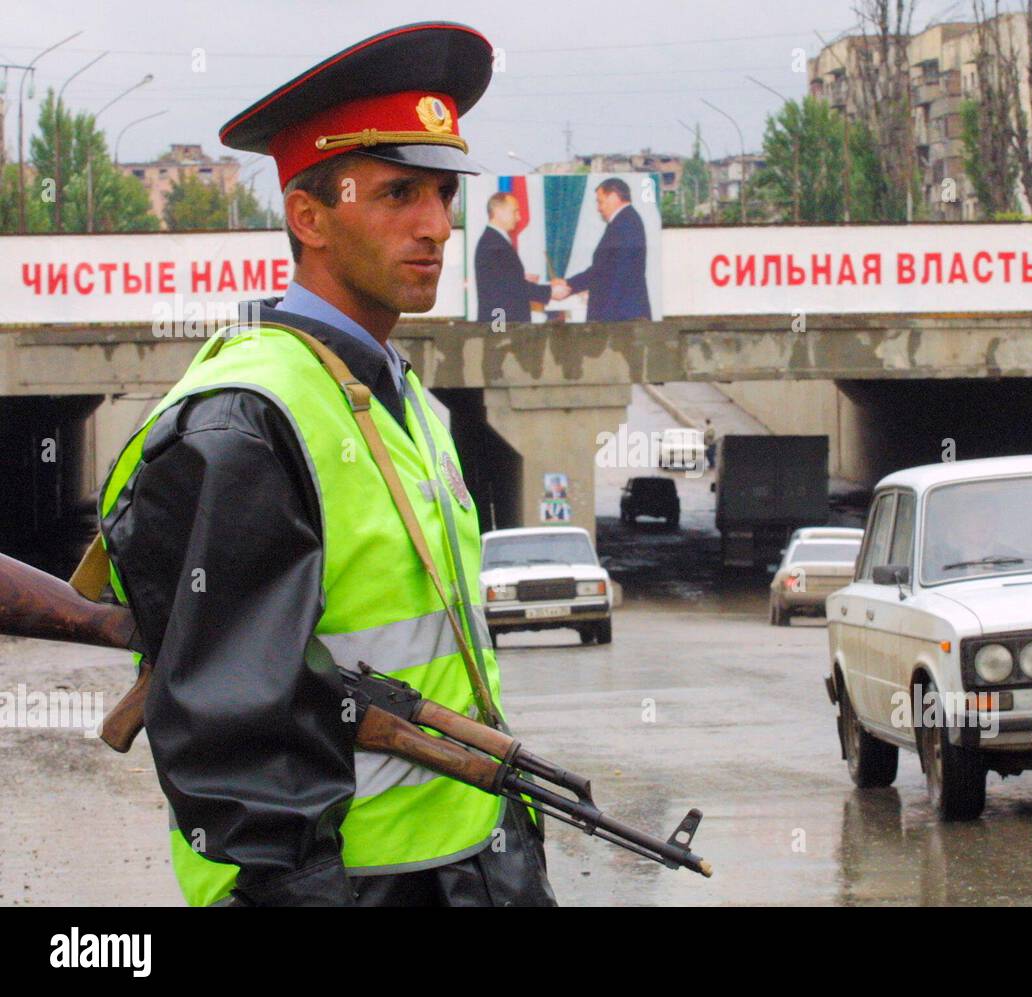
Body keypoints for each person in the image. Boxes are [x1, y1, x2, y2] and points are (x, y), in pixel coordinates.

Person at [96, 22, 555, 907]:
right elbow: (232, 744)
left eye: (441, 195)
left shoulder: (404, 397)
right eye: (396, 195)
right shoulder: (249, 414)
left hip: (464, 869)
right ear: (308, 215)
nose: (436, 227)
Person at [551, 178, 651, 320]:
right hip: (621, 312)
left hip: (621, 315)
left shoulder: (626, 223)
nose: (599, 208)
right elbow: (603, 269)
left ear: (614, 197)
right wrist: (569, 283)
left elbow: (617, 275)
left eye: (600, 201)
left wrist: (604, 318)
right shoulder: (623, 221)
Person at [474, 192, 552, 323]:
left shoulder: (494, 240)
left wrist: (520, 277)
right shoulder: (493, 243)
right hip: (500, 322)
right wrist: (549, 291)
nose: (519, 218)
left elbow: (503, 279)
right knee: (498, 344)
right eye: (515, 212)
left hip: (502, 321)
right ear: (498, 211)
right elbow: (511, 286)